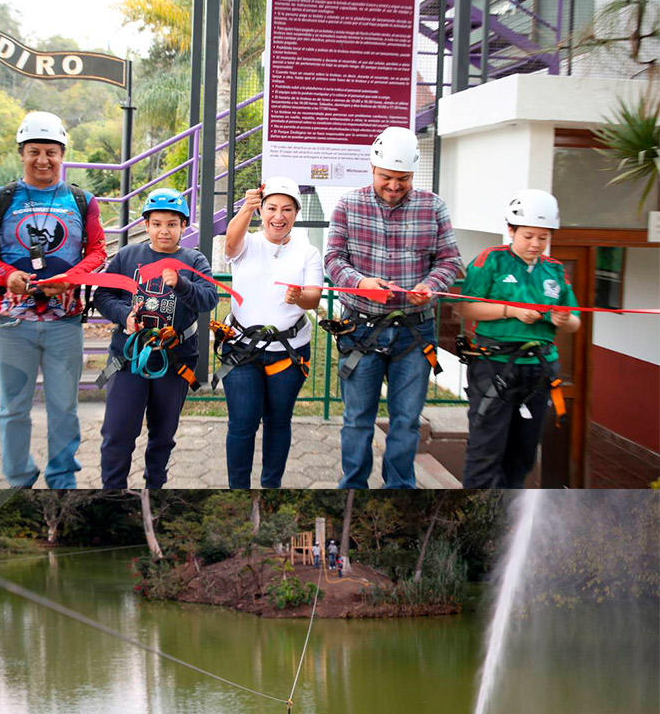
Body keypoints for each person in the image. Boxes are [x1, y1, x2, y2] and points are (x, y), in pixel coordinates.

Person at [0, 110, 108, 489]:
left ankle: (62, 480)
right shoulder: (0, 199)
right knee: (13, 410)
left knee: (64, 409)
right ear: (22, 153)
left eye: (50, 151)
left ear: (62, 153)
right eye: (34, 151)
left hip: (64, 324)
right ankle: (19, 479)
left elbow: (97, 252)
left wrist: (71, 278)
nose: (43, 160)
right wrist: (6, 275)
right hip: (13, 325)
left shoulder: (82, 201)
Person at [324, 127, 464, 488]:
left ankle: (400, 488)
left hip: (414, 333)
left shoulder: (433, 207)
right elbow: (334, 259)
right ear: (372, 167)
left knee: (407, 420)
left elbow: (451, 262)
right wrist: (360, 283)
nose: (393, 185)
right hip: (361, 330)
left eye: (402, 179)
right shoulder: (347, 205)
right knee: (357, 419)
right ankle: (353, 486)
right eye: (386, 177)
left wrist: (430, 287)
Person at [90, 188, 220, 489]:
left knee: (162, 435)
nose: (164, 231)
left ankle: (154, 489)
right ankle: (112, 492)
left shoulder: (194, 260)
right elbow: (104, 294)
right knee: (117, 432)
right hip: (128, 359)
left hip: (173, 360)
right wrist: (125, 316)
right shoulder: (127, 256)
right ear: (145, 225)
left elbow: (209, 299)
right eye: (157, 223)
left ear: (183, 227)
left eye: (172, 224)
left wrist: (182, 284)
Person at [457, 189, 582, 489]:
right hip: (495, 367)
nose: (536, 244)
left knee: (524, 453)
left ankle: (507, 513)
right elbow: (467, 306)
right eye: (528, 236)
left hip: (539, 369)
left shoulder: (555, 271)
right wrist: (510, 311)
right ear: (511, 230)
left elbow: (575, 322)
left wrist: (564, 319)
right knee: (486, 449)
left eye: (543, 237)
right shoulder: (490, 260)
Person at [216, 178, 324, 488]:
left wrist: (297, 298)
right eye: (272, 208)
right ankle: (238, 487)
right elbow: (230, 245)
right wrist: (246, 207)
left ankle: (270, 485)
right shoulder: (249, 242)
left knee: (278, 423)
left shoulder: (307, 252)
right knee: (242, 423)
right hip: (241, 349)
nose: (279, 216)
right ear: (261, 210)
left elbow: (313, 297)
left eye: (287, 209)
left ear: (296, 213)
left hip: (288, 353)